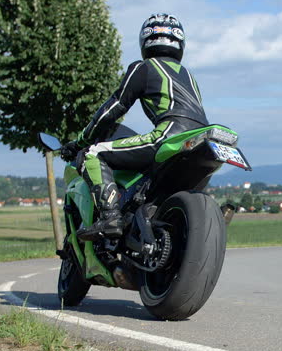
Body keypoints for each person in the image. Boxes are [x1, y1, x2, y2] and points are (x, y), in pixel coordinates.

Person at [59, 13, 208, 241]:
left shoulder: (144, 67)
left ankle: (110, 217)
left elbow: (112, 110)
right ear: (180, 43)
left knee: (93, 154)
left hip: (169, 134)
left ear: (145, 42)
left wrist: (80, 141)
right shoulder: (189, 76)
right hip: (201, 138)